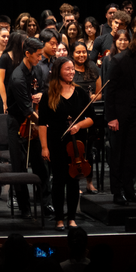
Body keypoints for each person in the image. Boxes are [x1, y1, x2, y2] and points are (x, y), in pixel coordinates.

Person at [39, 56, 95, 229]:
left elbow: (91, 118)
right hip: (56, 142)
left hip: (76, 145)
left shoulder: (80, 92)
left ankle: (71, 218)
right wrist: (44, 147)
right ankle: (59, 219)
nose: (71, 72)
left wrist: (78, 125)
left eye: (72, 69)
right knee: (58, 181)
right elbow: (42, 123)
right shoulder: (49, 94)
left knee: (73, 181)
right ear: (58, 71)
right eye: (67, 69)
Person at [105, 26, 136, 205]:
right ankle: (117, 192)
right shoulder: (119, 60)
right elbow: (108, 91)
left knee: (132, 157)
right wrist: (111, 117)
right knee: (117, 156)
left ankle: (129, 190)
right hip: (118, 117)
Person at [5, 36, 48, 218]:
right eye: (38, 55)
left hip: (34, 124)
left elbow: (45, 89)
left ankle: (45, 204)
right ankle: (24, 208)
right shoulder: (17, 78)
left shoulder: (37, 70)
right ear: (27, 54)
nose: (41, 58)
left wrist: (41, 95)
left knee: (41, 165)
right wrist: (47, 124)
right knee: (19, 169)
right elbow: (27, 111)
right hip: (18, 125)